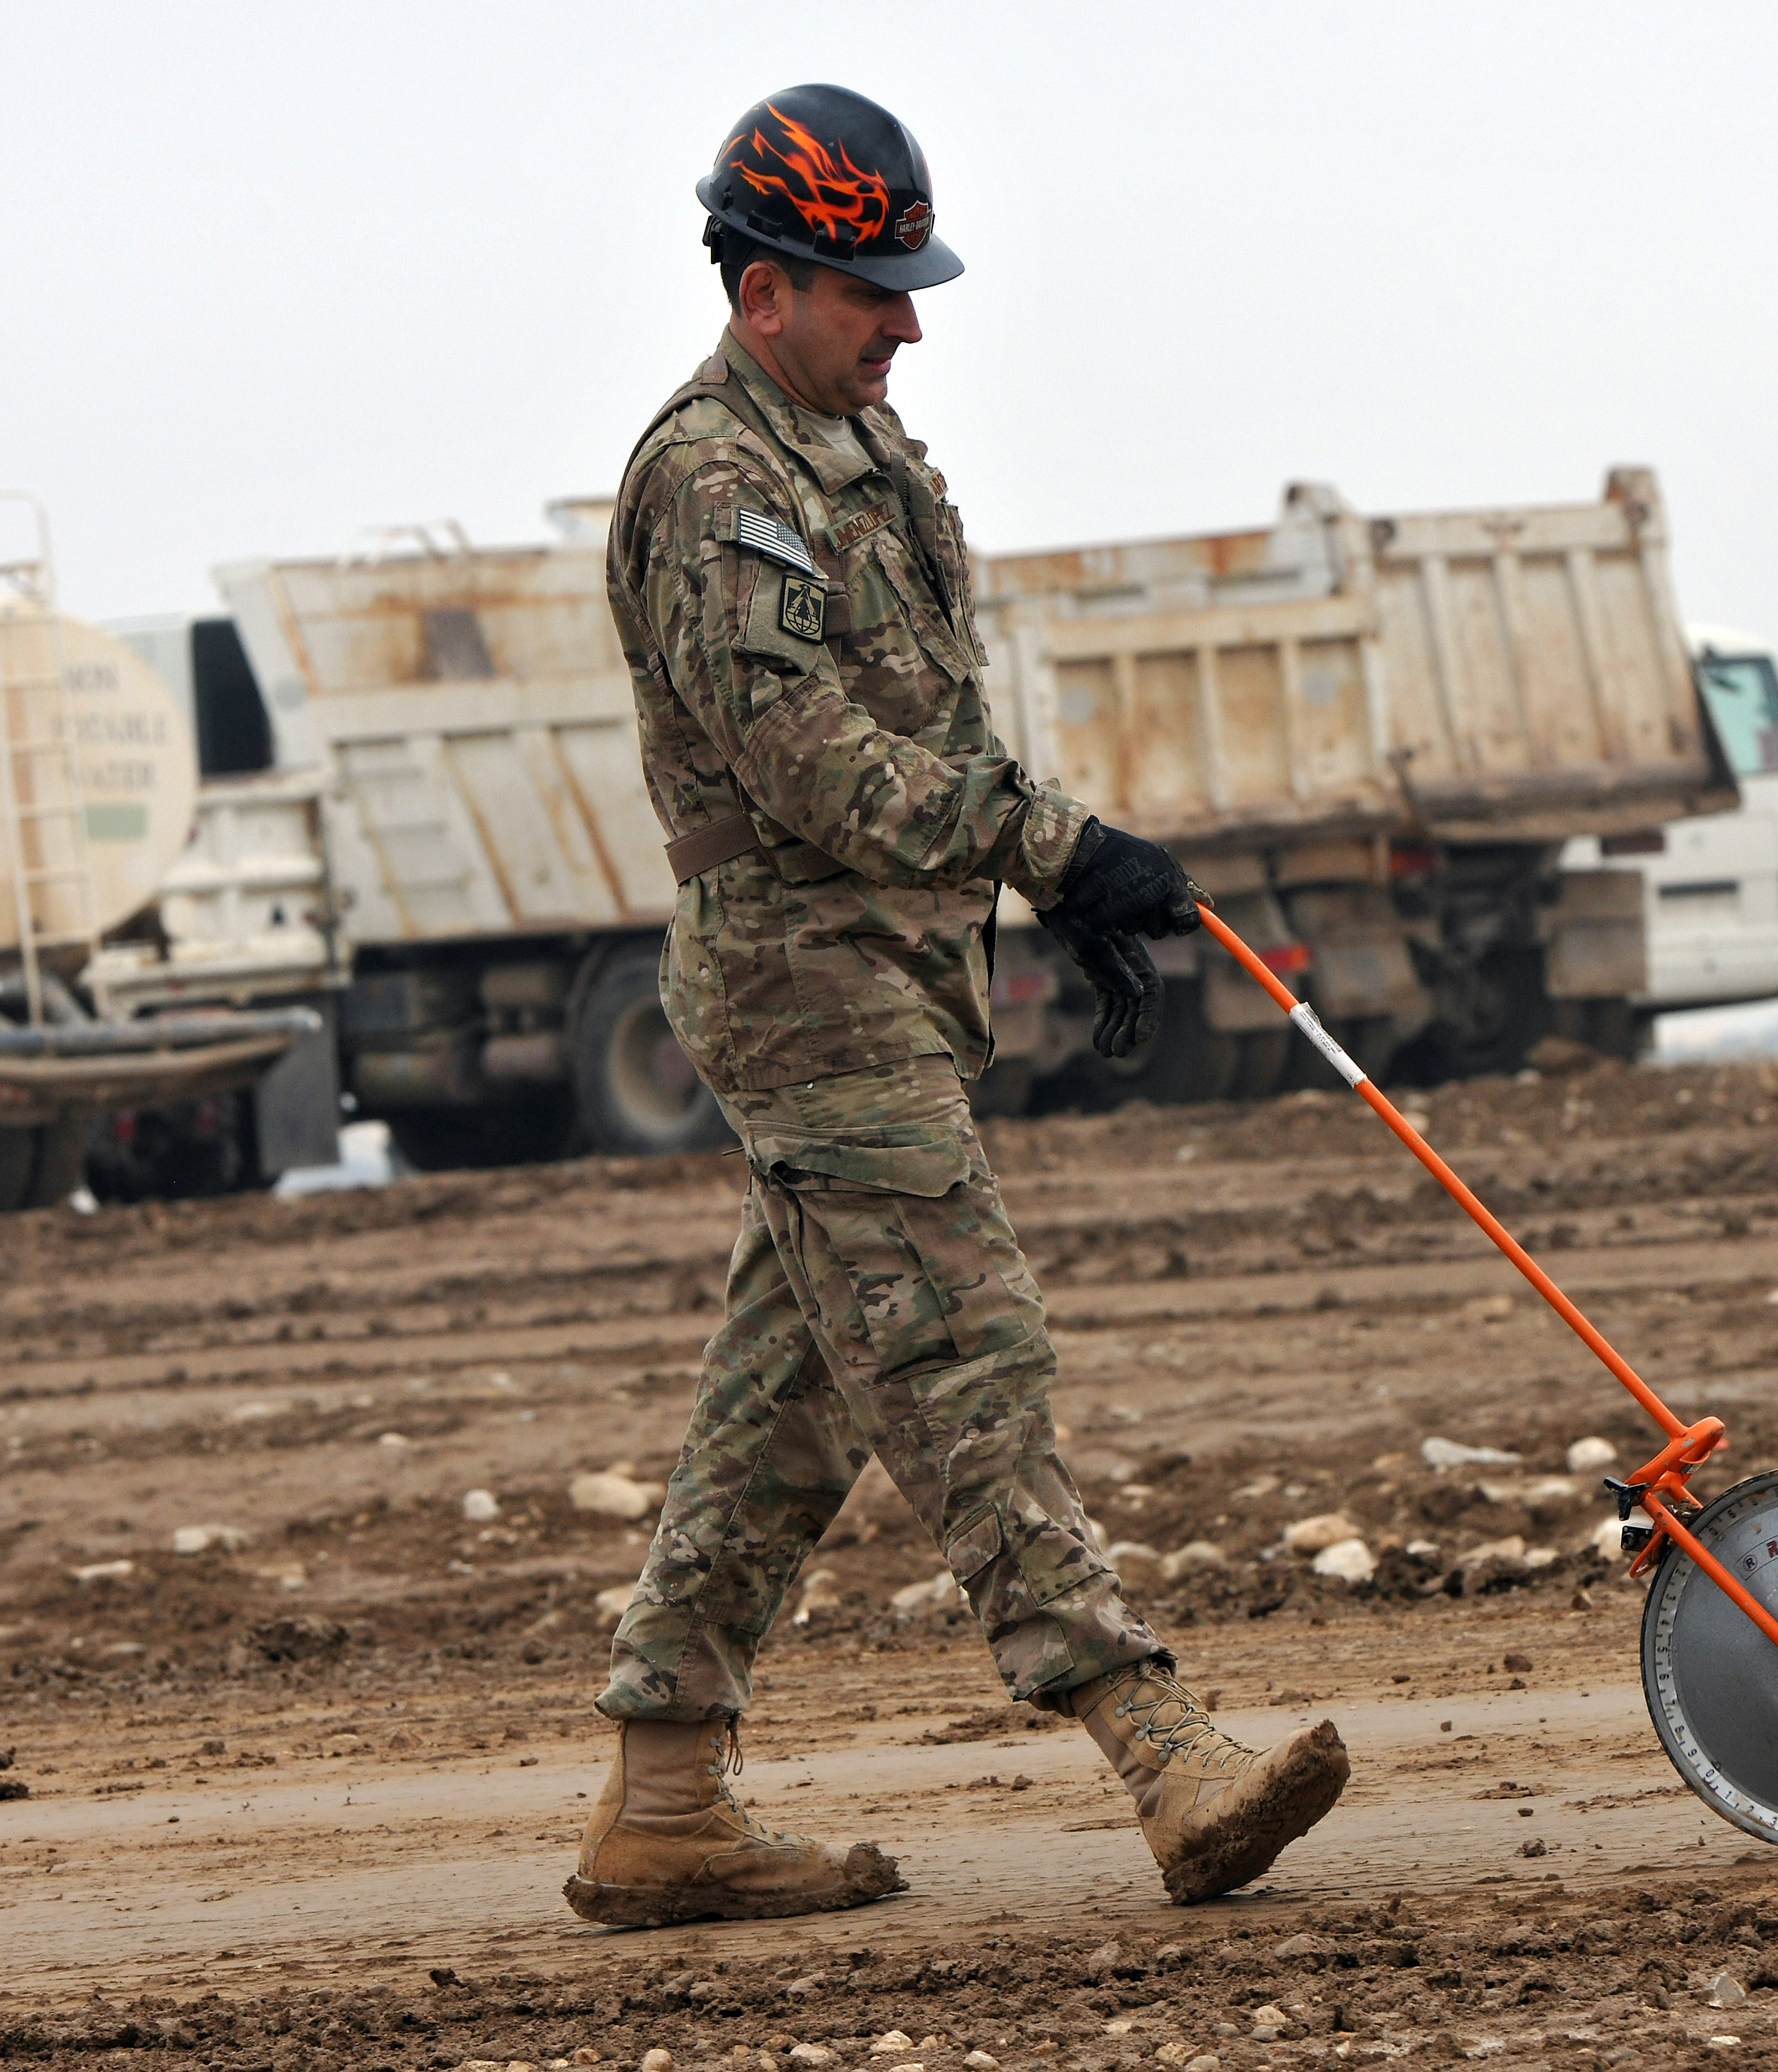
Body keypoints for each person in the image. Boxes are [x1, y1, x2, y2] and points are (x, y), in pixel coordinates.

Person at [567, 84, 1349, 1926]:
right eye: (868, 290)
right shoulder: (716, 481)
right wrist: (1059, 847)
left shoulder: (869, 458)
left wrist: (1034, 885)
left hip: (896, 974)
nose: (908, 321)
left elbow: (930, 724)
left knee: (800, 1392)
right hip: (802, 981)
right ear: (765, 292)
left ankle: (663, 1802)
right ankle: (1159, 1751)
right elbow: (809, 764)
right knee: (959, 1348)